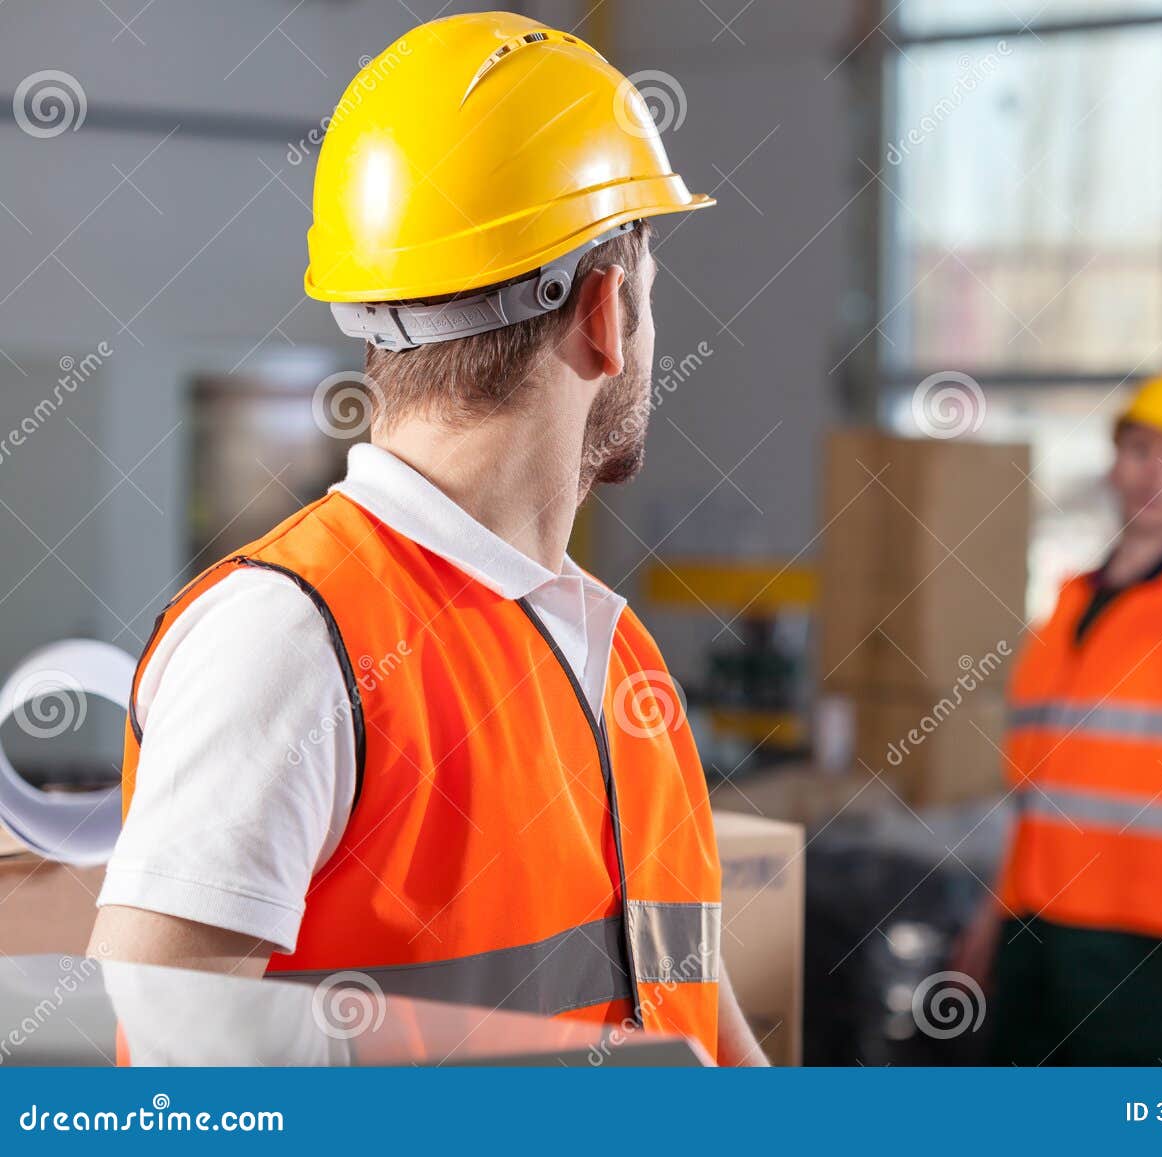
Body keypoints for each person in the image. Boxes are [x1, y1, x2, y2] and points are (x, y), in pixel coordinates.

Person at [89, 12, 767, 1066]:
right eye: (646, 294)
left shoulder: (612, 650)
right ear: (602, 312)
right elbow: (161, 1099)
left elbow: (685, 1009)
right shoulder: (288, 643)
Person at [954, 320, 1162, 1065]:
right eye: (1138, 451)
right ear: (1114, 466)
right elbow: (1037, 793)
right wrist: (988, 925)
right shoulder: (1064, 607)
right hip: (1036, 929)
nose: (1155, 473)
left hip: (1145, 944)